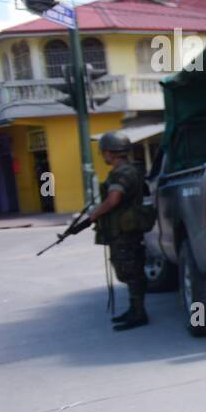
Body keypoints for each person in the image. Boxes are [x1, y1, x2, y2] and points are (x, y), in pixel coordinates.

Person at [70, 131, 151, 331]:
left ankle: (139, 313)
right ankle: (135, 309)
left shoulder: (122, 172)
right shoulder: (129, 170)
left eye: (103, 152)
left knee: (130, 271)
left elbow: (114, 198)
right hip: (125, 228)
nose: (103, 156)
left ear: (109, 152)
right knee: (130, 269)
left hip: (124, 230)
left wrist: (92, 217)